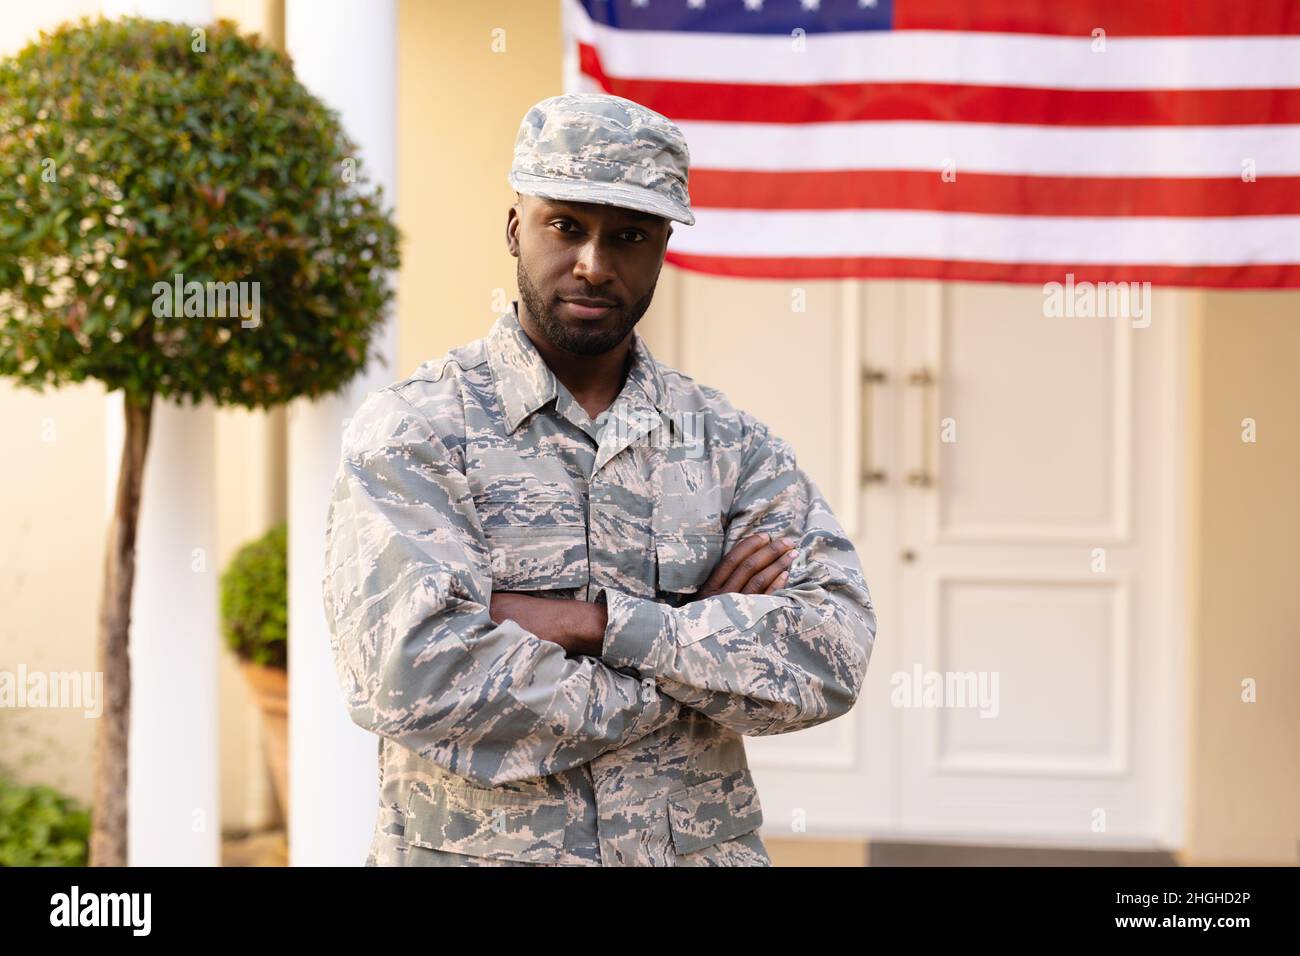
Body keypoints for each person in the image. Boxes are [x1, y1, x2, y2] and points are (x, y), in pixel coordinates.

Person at [321, 92, 877, 866]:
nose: (594, 264)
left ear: (662, 248)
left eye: (629, 235)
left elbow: (830, 655)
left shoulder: (729, 445)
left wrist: (600, 625)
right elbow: (413, 676)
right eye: (567, 226)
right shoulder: (417, 433)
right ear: (516, 228)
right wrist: (687, 658)